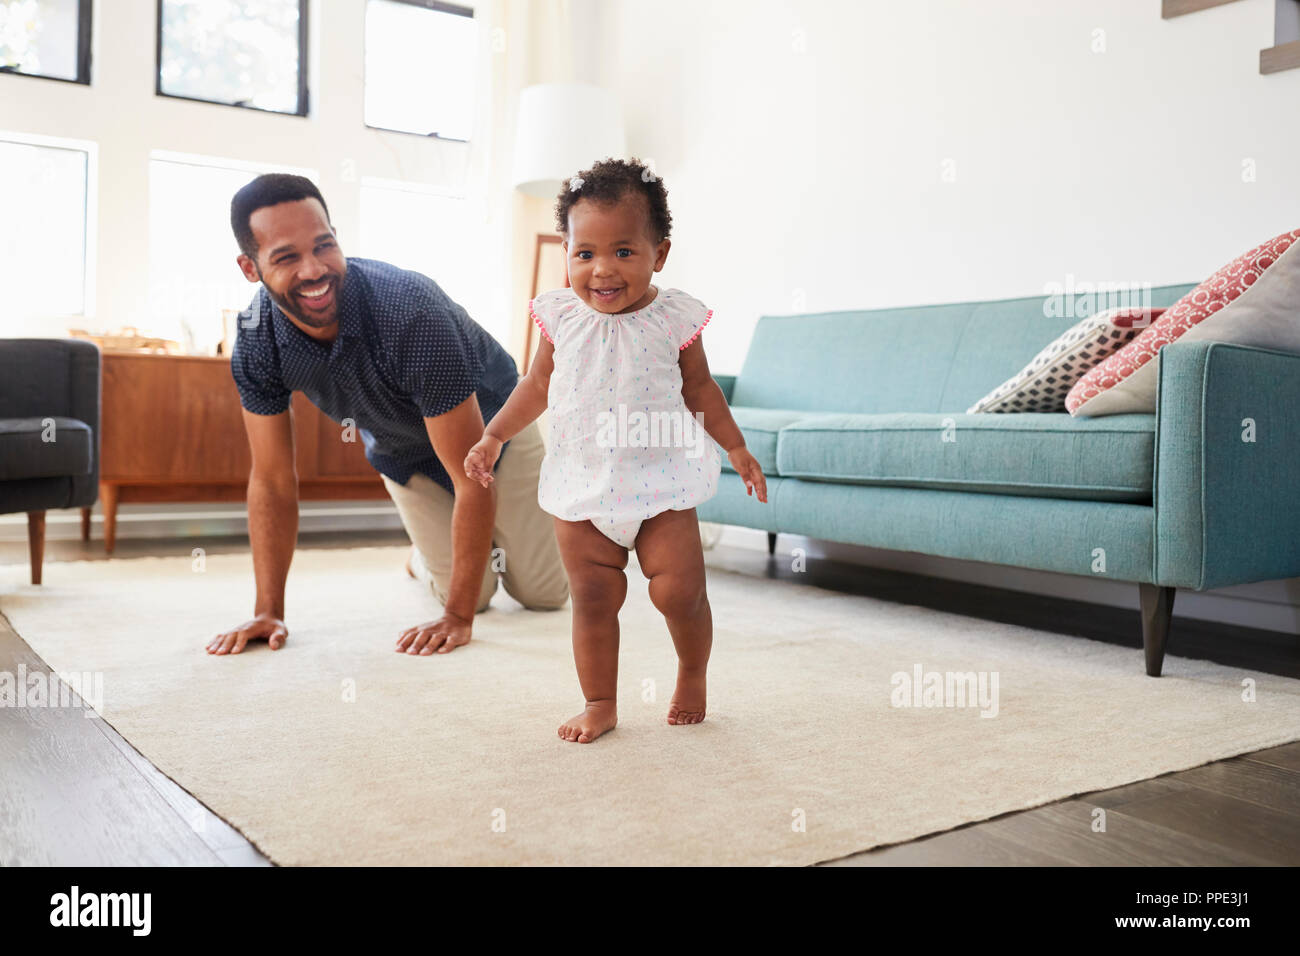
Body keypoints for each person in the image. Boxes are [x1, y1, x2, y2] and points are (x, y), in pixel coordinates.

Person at [464, 158, 768, 742]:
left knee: (680, 592)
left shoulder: (675, 318)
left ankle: (692, 668)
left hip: (662, 483)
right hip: (582, 484)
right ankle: (600, 701)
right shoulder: (559, 317)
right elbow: (536, 388)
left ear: (661, 252)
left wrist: (735, 446)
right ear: (567, 254)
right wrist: (494, 434)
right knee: (594, 599)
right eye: (585, 254)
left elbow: (701, 389)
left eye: (624, 252)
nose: (603, 269)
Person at [207, 173, 568, 658]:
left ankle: (511, 549)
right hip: (404, 454)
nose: (314, 270)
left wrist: (455, 620)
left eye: (323, 245)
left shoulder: (409, 311)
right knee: (478, 595)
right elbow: (271, 480)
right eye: (286, 257)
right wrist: (268, 610)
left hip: (493, 435)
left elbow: (471, 475)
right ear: (250, 268)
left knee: (543, 595)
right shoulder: (257, 339)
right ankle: (424, 560)